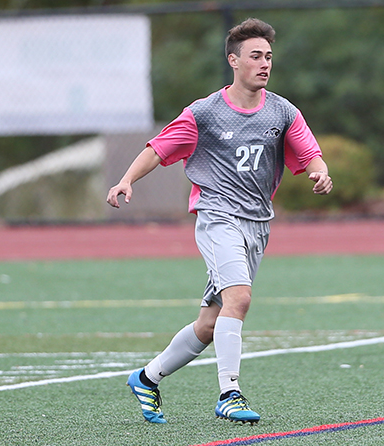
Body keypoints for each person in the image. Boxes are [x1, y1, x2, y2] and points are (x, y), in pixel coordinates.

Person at [106, 17, 332, 425]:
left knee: (210, 323)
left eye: (269, 57)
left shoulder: (283, 111)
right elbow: (158, 149)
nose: (264, 64)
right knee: (240, 299)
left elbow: (310, 151)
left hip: (258, 224)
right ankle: (230, 393)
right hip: (217, 217)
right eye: (255, 56)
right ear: (233, 60)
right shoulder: (204, 113)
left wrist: (320, 170)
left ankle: (146, 377)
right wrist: (125, 180)